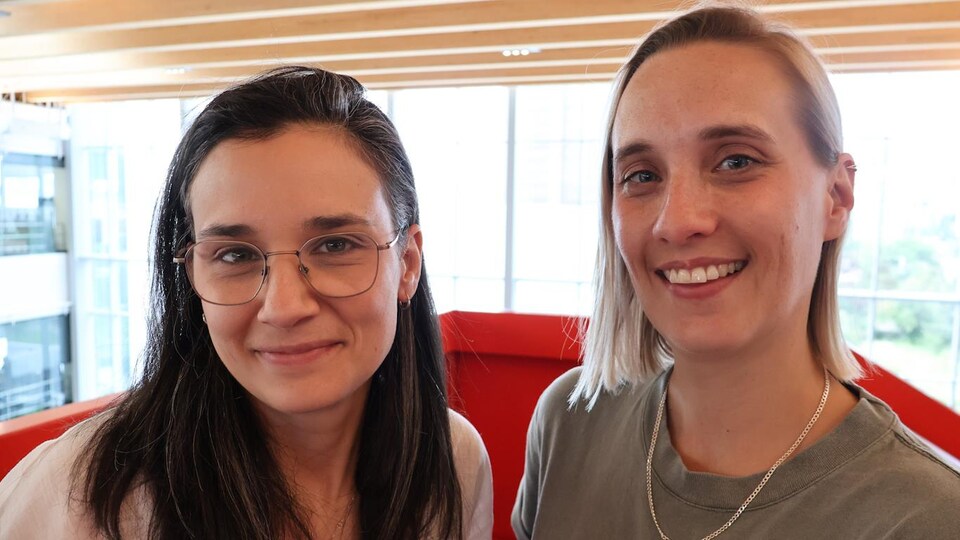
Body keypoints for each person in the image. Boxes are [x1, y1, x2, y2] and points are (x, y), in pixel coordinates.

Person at [512, 4, 960, 539]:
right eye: (642, 174)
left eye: (736, 161)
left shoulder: (928, 517)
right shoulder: (568, 424)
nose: (677, 221)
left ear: (836, 197)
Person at [0, 66, 493, 540]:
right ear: (192, 275)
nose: (283, 307)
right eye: (234, 254)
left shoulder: (451, 462)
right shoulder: (87, 497)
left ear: (406, 263)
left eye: (336, 245)